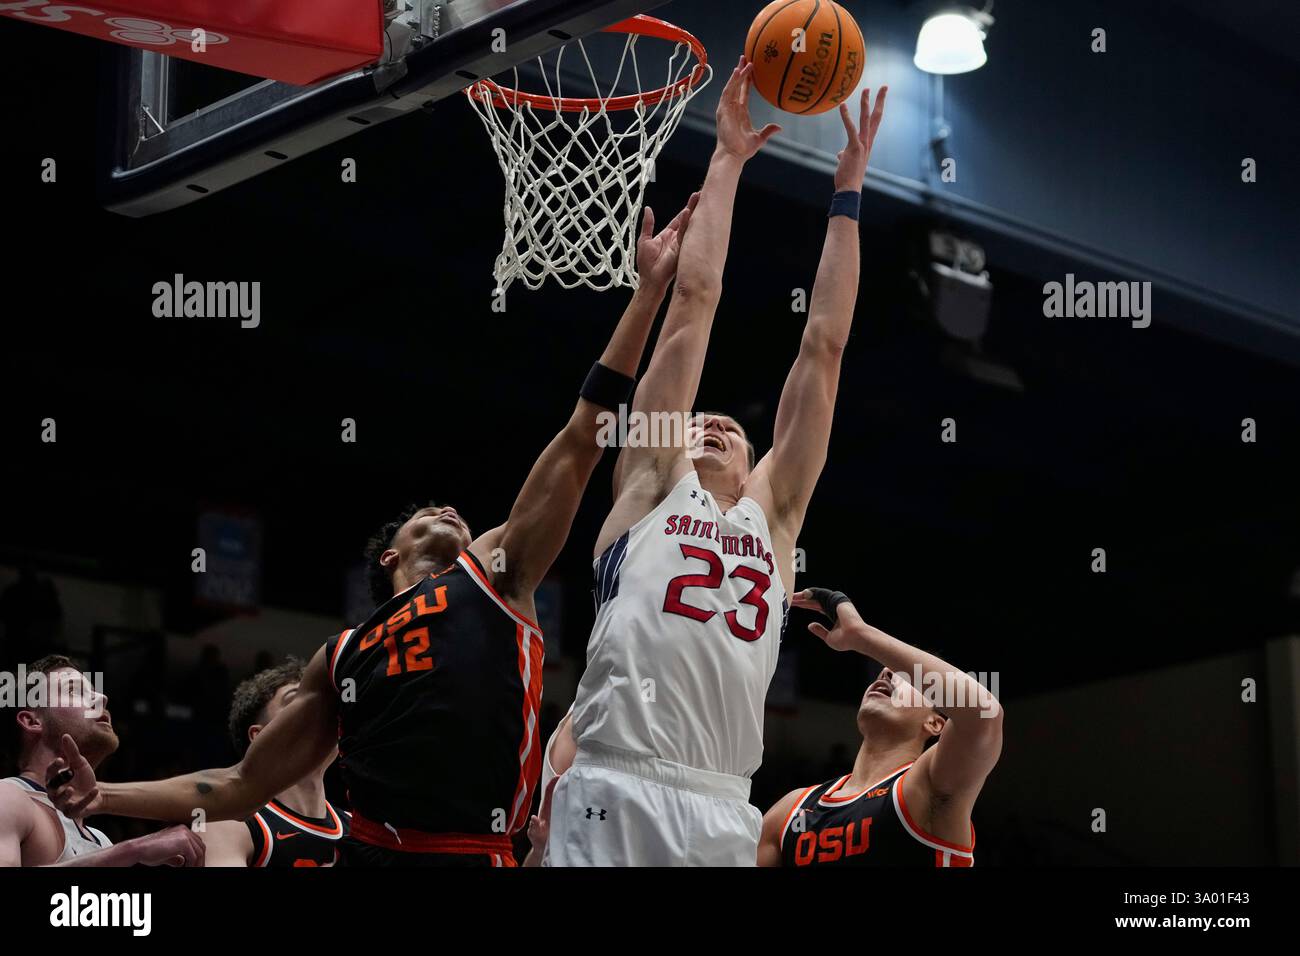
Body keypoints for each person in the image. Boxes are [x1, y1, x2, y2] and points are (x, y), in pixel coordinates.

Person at [46, 192, 700, 867]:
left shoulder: (499, 573)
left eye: (457, 514)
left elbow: (582, 437)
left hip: (475, 852)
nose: (448, 512)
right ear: (391, 554)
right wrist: (105, 798)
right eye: (427, 515)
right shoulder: (343, 654)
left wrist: (647, 296)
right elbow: (241, 784)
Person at [545, 66, 890, 866]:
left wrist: (847, 198)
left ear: (755, 459)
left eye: (730, 429)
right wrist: (728, 160)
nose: (711, 426)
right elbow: (693, 301)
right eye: (699, 421)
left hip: (721, 804)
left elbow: (825, 347)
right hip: (614, 782)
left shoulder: (773, 519)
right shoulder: (648, 487)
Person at [756, 589, 1003, 867]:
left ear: (935, 723)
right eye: (884, 670)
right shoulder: (790, 811)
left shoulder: (929, 785)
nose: (885, 672)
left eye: (905, 678)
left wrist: (862, 637)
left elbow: (984, 714)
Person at [0, 655, 203, 866]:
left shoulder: (101, 841)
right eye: (75, 691)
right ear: (32, 721)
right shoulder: (8, 797)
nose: (102, 698)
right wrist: (133, 850)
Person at [200, 659, 349, 867]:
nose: (322, 711)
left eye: (325, 702)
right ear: (260, 736)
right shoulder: (227, 822)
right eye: (294, 701)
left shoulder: (360, 829)